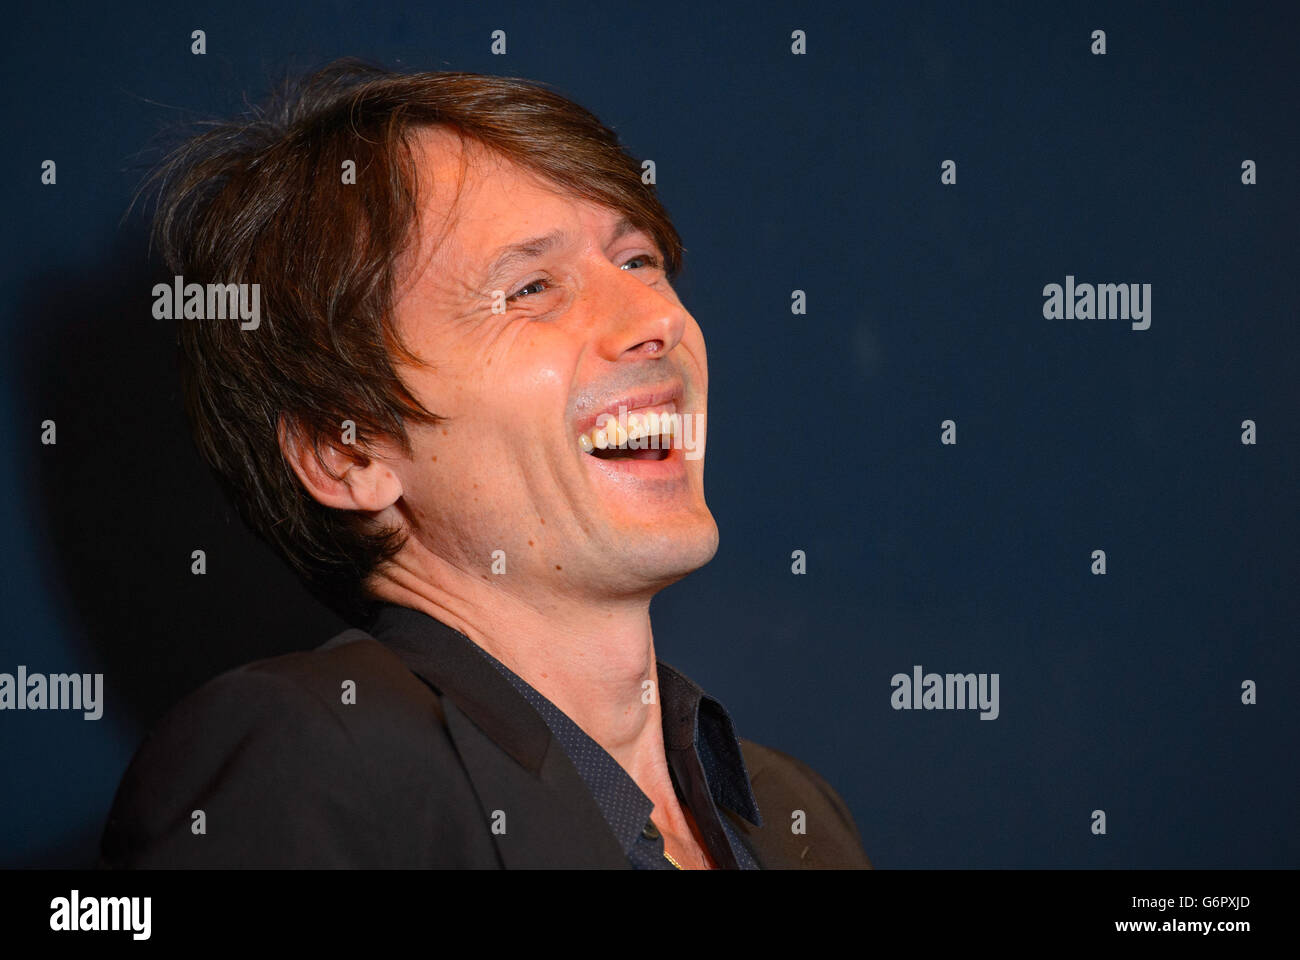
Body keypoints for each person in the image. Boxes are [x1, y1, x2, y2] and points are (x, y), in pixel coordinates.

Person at [99, 60, 871, 869]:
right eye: (533, 287)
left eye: (639, 261)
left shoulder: (797, 816)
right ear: (348, 449)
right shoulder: (312, 760)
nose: (656, 319)